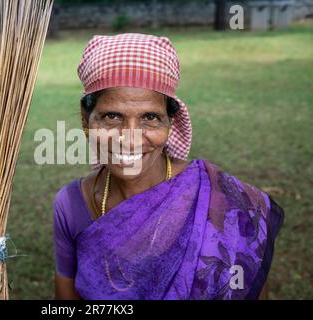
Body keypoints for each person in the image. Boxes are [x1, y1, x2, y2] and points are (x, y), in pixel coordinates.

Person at [53, 33, 284, 300]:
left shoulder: (223, 203)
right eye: (112, 116)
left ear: (170, 123)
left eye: (150, 117)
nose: (130, 139)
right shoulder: (71, 205)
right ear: (86, 119)